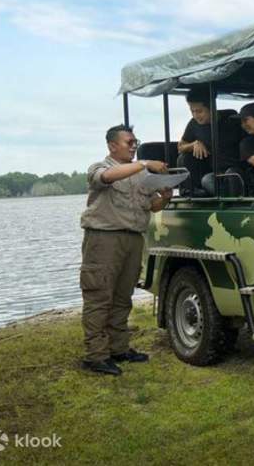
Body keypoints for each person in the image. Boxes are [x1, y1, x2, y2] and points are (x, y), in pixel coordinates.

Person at [78, 125, 172, 376]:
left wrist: (165, 195)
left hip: (133, 240)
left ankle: (119, 349)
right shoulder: (99, 168)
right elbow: (107, 178)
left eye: (135, 142)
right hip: (104, 240)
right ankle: (95, 356)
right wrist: (144, 163)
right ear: (111, 146)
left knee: (122, 297)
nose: (133, 146)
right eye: (128, 142)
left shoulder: (142, 176)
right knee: (99, 297)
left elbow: (152, 206)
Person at [178, 87, 242, 193]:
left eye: (199, 111)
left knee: (233, 175)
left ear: (212, 107)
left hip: (236, 169)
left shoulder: (232, 120)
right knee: (207, 180)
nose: (195, 115)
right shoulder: (193, 124)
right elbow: (181, 146)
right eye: (192, 111)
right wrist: (194, 144)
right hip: (214, 173)